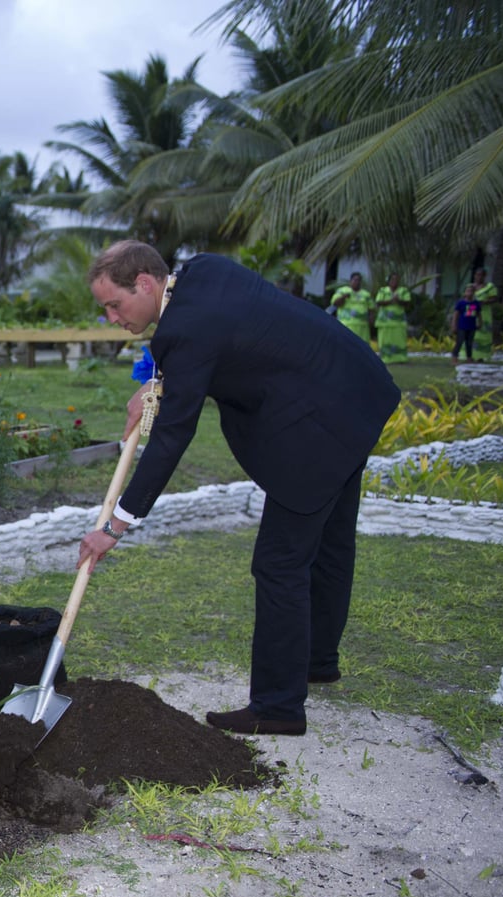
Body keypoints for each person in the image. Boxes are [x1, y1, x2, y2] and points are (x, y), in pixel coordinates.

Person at [79, 241, 400, 736]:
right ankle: (316, 662)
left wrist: (114, 526)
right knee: (330, 544)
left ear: (144, 283)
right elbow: (214, 337)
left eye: (114, 305)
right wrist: (157, 383)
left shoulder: (186, 330)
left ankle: (278, 707)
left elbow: (172, 437)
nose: (112, 318)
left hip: (317, 427)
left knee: (280, 563)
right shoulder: (203, 272)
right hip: (357, 391)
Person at [373, 273, 412, 363]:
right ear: (389, 281)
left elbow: (407, 303)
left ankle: (400, 358)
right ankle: (385, 358)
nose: (394, 281)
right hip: (385, 322)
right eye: (393, 279)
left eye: (396, 279)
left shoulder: (403, 291)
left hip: (399, 322)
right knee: (385, 340)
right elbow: (378, 302)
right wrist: (391, 301)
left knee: (399, 340)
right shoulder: (383, 291)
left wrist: (398, 300)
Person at [330, 272, 374, 345]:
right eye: (355, 280)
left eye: (358, 280)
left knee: (361, 345)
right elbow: (335, 303)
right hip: (346, 324)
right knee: (345, 345)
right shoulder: (342, 291)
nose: (357, 282)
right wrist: (343, 297)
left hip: (362, 326)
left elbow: (371, 309)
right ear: (350, 281)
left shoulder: (366, 294)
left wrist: (371, 320)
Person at [472, 267, 501, 354]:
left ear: (484, 276)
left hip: (484, 312)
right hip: (471, 310)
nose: (479, 277)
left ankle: (482, 354)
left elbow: (495, 298)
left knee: (483, 332)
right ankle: (470, 354)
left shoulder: (489, 287)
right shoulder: (470, 286)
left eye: (481, 275)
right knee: (471, 332)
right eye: (477, 275)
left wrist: (484, 302)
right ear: (474, 276)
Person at [452, 284, 482, 364]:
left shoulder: (476, 303)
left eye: (471, 291)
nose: (470, 293)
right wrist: (454, 325)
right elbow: (456, 314)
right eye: (468, 291)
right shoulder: (461, 303)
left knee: (469, 343)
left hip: (472, 326)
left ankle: (469, 358)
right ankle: (455, 357)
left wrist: (480, 322)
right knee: (459, 342)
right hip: (462, 326)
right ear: (465, 293)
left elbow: (479, 314)